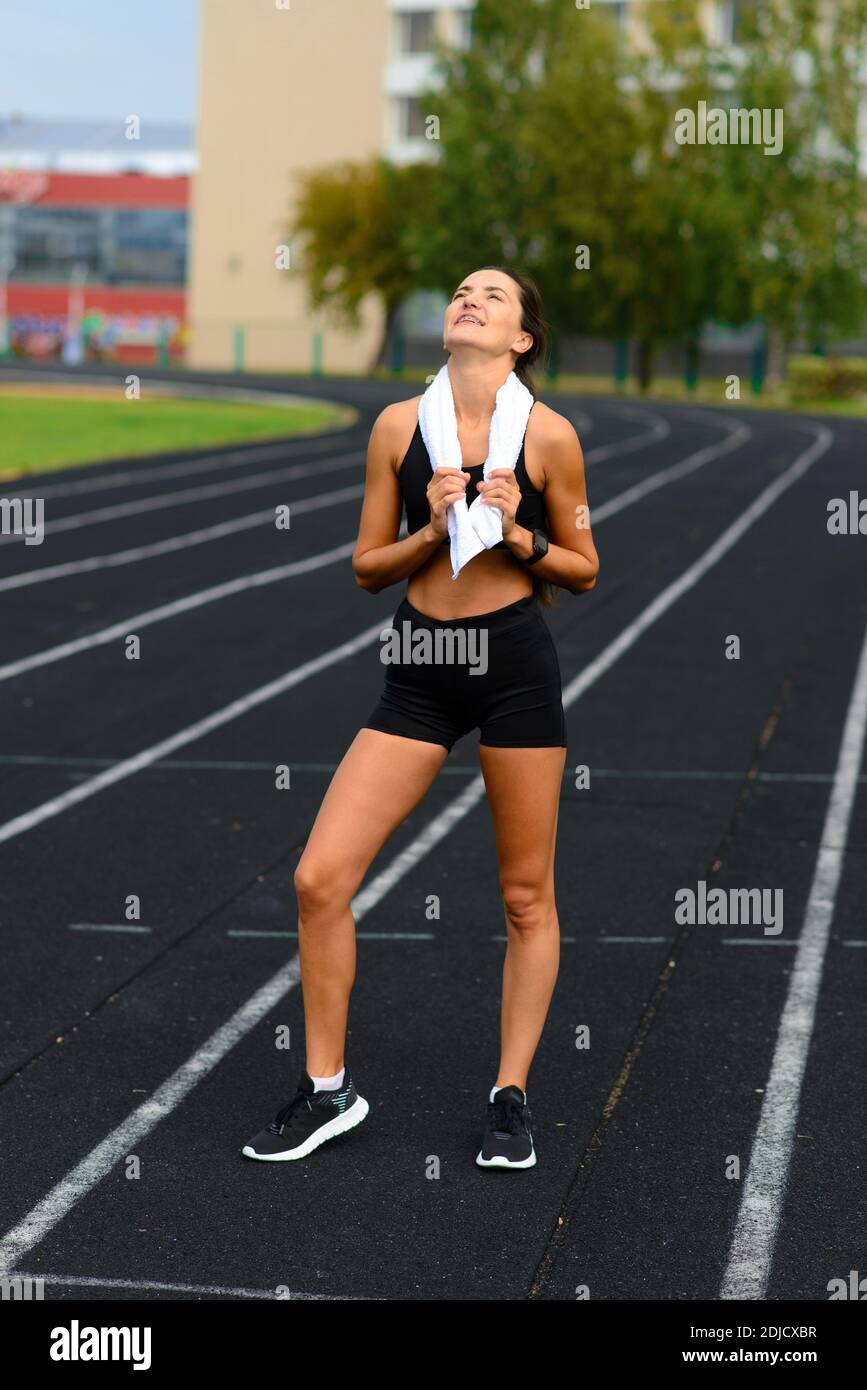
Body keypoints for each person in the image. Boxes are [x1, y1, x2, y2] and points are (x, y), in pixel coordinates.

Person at [243, 265, 599, 1169]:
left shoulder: (550, 437)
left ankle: (509, 1098)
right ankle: (328, 1091)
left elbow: (584, 565)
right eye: (460, 293)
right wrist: (433, 530)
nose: (468, 301)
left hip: (513, 664)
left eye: (494, 297)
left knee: (525, 896)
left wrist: (518, 535)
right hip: (421, 664)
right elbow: (367, 565)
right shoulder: (398, 428)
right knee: (320, 876)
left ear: (521, 337)